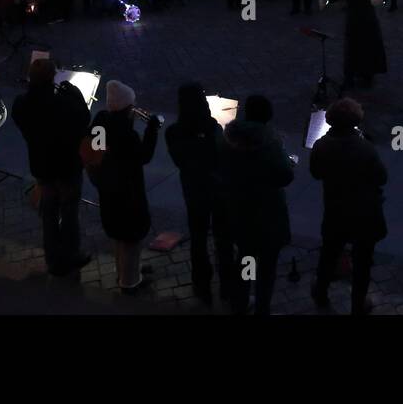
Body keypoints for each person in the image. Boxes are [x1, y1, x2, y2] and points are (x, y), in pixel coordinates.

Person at [12, 58, 92, 276]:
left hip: (41, 166)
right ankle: (71, 254)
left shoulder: (21, 103)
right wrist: (73, 93)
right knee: (69, 211)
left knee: (48, 211)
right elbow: (84, 119)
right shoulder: (63, 103)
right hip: (66, 166)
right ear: (52, 77)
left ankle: (52, 258)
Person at [310, 98, 388, 315]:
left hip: (335, 209)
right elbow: (382, 177)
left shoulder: (321, 145)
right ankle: (358, 303)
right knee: (362, 261)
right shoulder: (365, 148)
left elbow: (315, 173)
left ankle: (321, 291)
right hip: (363, 212)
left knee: (329, 253)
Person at [220, 95, 295, 314]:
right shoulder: (270, 144)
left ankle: (240, 302)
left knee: (246, 258)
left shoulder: (228, 140)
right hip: (267, 214)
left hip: (240, 210)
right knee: (267, 267)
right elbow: (285, 176)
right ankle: (262, 307)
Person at [165, 84, 235, 306]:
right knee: (224, 239)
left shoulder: (173, 132)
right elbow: (222, 156)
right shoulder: (213, 128)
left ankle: (202, 285)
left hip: (193, 190)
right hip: (218, 190)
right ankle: (227, 285)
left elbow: (180, 162)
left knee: (198, 238)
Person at [90, 80, 160, 294]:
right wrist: (152, 131)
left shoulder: (100, 125)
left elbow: (95, 154)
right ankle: (130, 283)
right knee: (131, 238)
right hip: (128, 194)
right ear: (126, 107)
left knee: (118, 235)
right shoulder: (128, 135)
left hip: (107, 191)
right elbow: (144, 156)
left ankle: (125, 272)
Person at [323, 0, 388, 89]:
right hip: (354, 21)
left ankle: (366, 74)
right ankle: (352, 75)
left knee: (366, 48)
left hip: (367, 22)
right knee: (353, 49)